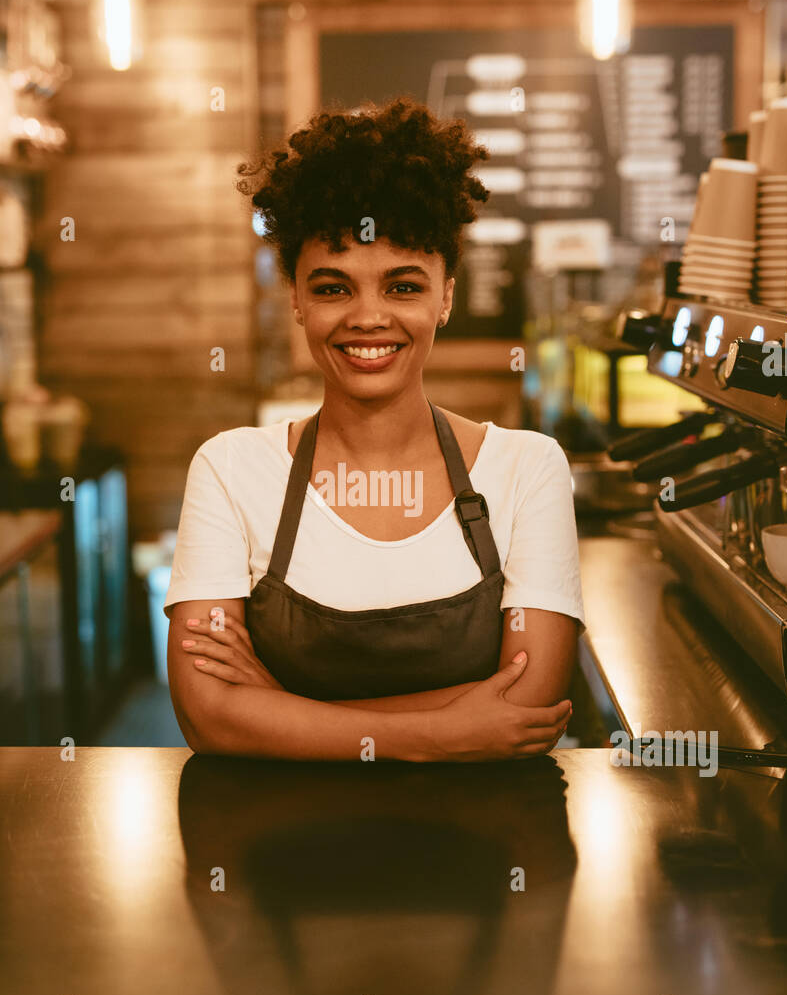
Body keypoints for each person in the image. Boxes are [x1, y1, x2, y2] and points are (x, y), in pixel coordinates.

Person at [165, 98, 584, 761]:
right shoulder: (230, 469)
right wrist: (443, 732)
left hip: (479, 856)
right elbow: (209, 718)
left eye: (402, 287)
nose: (367, 317)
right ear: (296, 297)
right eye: (333, 288)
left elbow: (529, 708)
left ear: (446, 294)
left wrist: (276, 711)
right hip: (279, 857)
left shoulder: (529, 468)